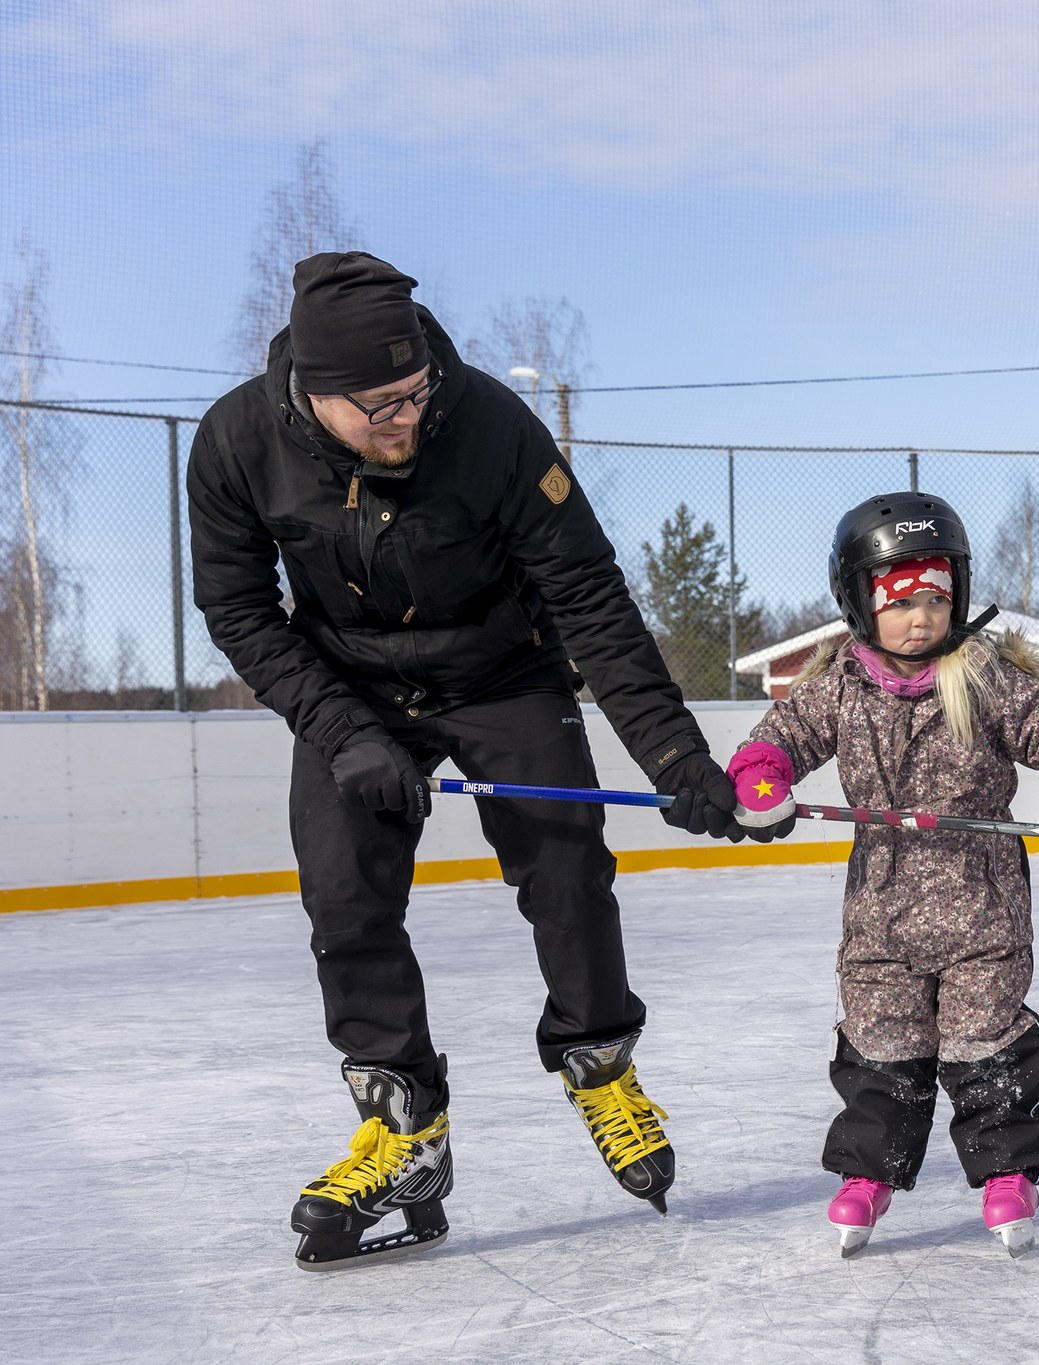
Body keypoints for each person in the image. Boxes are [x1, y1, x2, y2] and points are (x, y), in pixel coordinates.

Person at [188, 251, 742, 1267]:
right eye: (377, 406)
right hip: (346, 687)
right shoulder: (234, 443)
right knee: (345, 894)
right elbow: (235, 609)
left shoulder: (488, 424)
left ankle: (598, 1059)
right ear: (312, 393)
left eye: (414, 393)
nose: (404, 418)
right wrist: (343, 731)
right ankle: (405, 1131)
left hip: (503, 671)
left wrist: (673, 754)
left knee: (566, 859)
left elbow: (588, 598)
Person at [722, 492, 1039, 1257]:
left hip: (981, 911)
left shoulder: (982, 676)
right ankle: (867, 1173)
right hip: (879, 914)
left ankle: (1008, 1171)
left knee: (984, 1044)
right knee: (881, 1045)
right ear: (858, 600)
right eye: (900, 600)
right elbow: (781, 735)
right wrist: (760, 777)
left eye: (937, 597)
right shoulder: (839, 687)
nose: (921, 617)